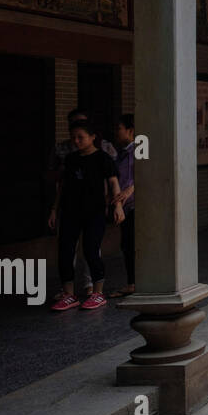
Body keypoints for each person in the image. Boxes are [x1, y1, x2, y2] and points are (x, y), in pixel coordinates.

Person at [48, 119, 122, 311]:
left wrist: (118, 206)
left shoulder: (103, 158)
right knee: (65, 251)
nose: (77, 141)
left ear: (92, 137)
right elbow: (62, 187)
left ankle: (98, 293)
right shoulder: (71, 160)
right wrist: (54, 209)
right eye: (74, 137)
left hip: (94, 212)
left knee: (91, 250)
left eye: (81, 137)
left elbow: (114, 183)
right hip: (70, 212)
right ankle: (69, 294)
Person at [109, 114, 137, 298]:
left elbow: (146, 175)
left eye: (119, 128)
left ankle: (134, 283)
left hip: (136, 205)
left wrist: (129, 191)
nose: (116, 132)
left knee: (131, 244)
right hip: (125, 206)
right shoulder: (119, 154)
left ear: (130, 130)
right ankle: (133, 282)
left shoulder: (139, 151)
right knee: (127, 244)